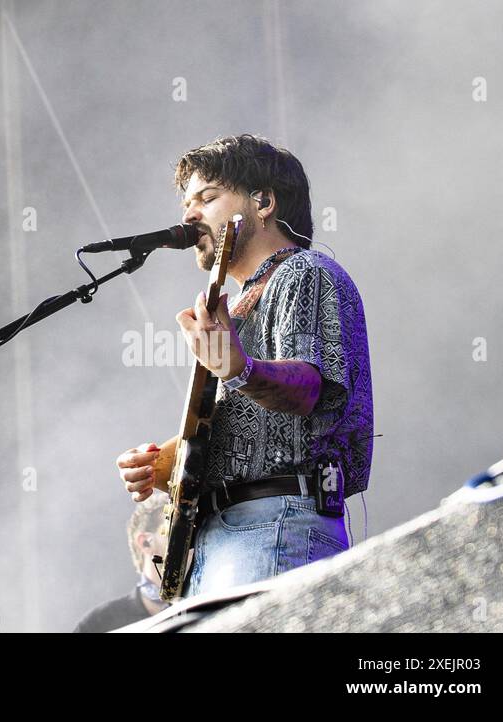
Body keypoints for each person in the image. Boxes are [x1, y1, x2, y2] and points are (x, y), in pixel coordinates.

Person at [115, 134, 373, 599]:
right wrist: (164, 463)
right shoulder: (234, 307)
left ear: (264, 202)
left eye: (207, 198)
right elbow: (243, 421)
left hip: (276, 522)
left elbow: (311, 386)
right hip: (222, 535)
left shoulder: (304, 273)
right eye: (186, 203)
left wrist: (240, 370)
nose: (189, 215)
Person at [73, 491, 169, 631]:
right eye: (178, 530)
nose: (195, 542)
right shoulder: (97, 626)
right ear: (145, 543)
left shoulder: (209, 608)